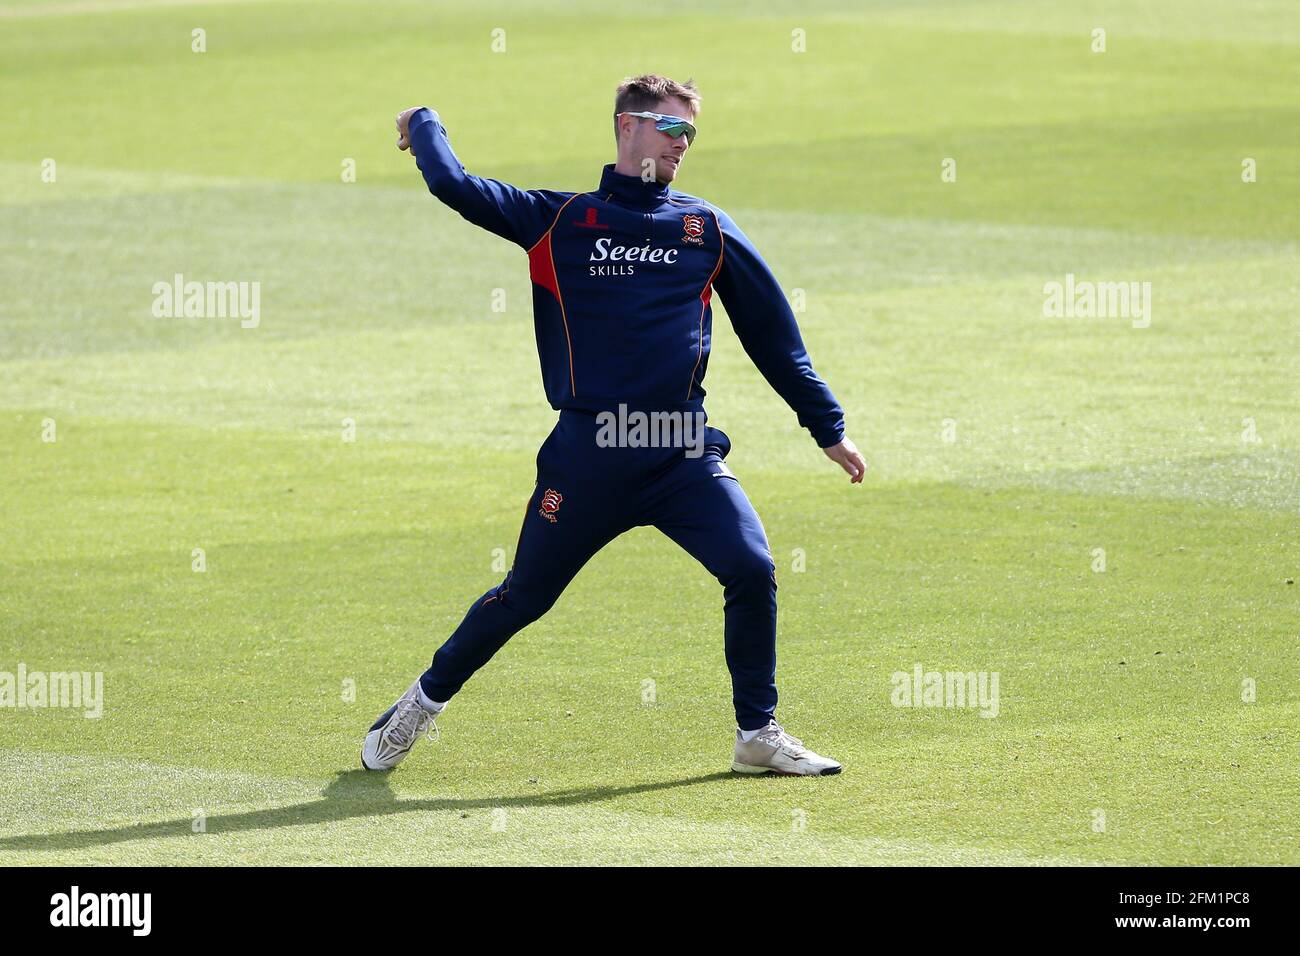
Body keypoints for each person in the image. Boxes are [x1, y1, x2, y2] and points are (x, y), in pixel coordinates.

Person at [363, 74, 866, 776]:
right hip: (589, 456)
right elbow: (453, 184)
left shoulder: (706, 229)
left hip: (679, 453)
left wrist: (827, 427)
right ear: (627, 126)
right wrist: (423, 122)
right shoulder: (559, 219)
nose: (683, 143)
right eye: (671, 128)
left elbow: (772, 336)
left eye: (691, 132)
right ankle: (421, 703)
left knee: (751, 567)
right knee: (523, 598)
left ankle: (758, 735)